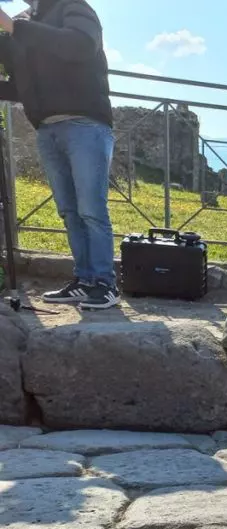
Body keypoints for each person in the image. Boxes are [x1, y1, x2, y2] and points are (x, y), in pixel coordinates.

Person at [0, 0, 119, 309]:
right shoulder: (22, 23)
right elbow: (19, 87)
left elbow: (81, 46)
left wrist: (14, 28)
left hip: (85, 123)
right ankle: (84, 280)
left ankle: (105, 284)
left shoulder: (73, 7)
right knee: (68, 211)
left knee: (91, 209)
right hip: (46, 129)